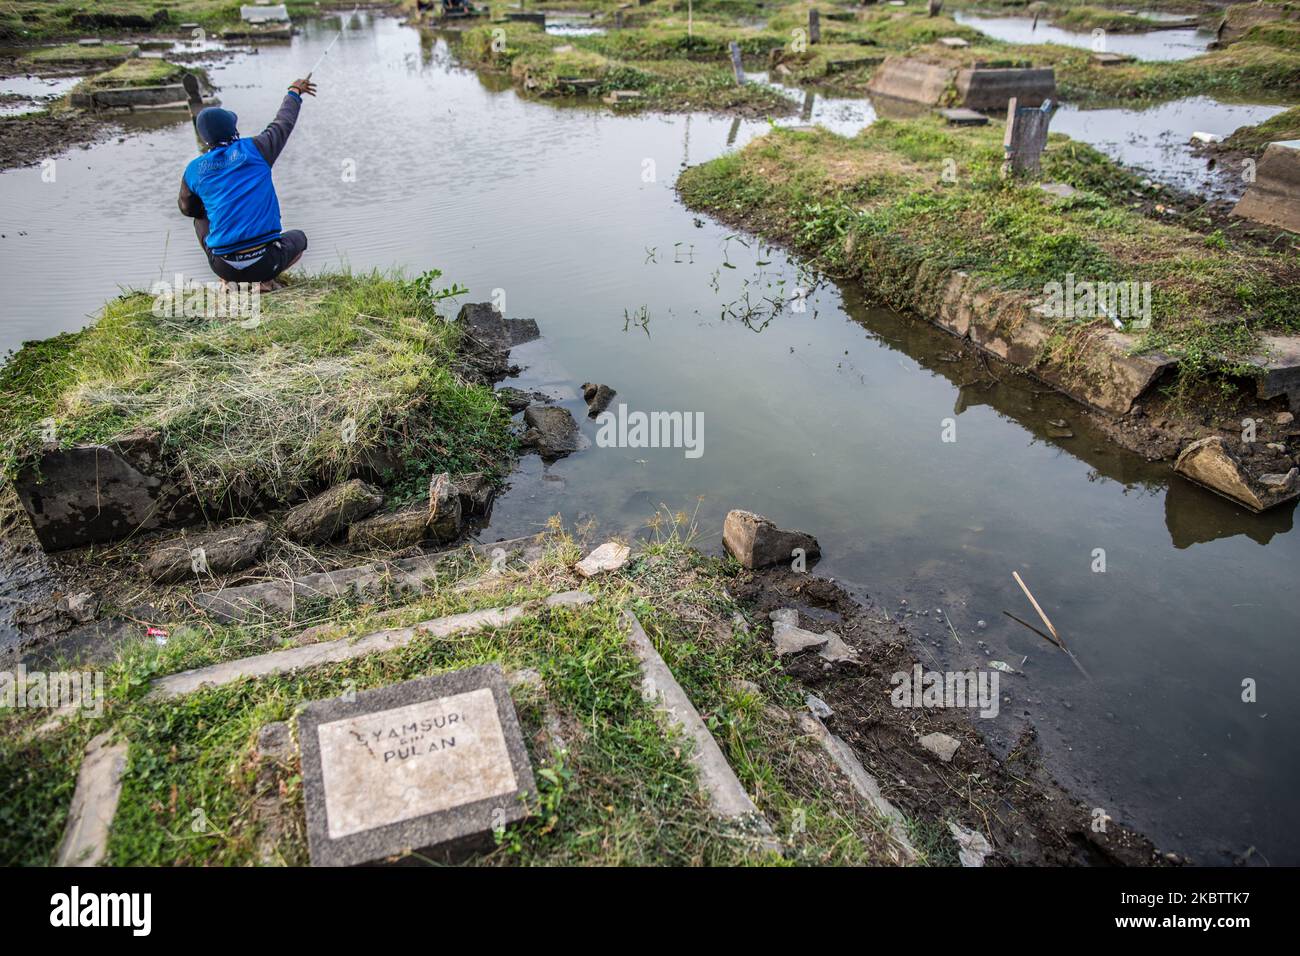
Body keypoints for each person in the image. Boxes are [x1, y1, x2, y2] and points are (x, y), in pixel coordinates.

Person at [177, 77, 317, 291]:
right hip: (266, 262)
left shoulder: (194, 169)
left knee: (200, 217)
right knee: (300, 239)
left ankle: (228, 282)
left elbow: (188, 209)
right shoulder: (257, 149)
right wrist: (294, 92)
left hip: (223, 266)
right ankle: (264, 282)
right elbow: (283, 123)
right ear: (233, 130)